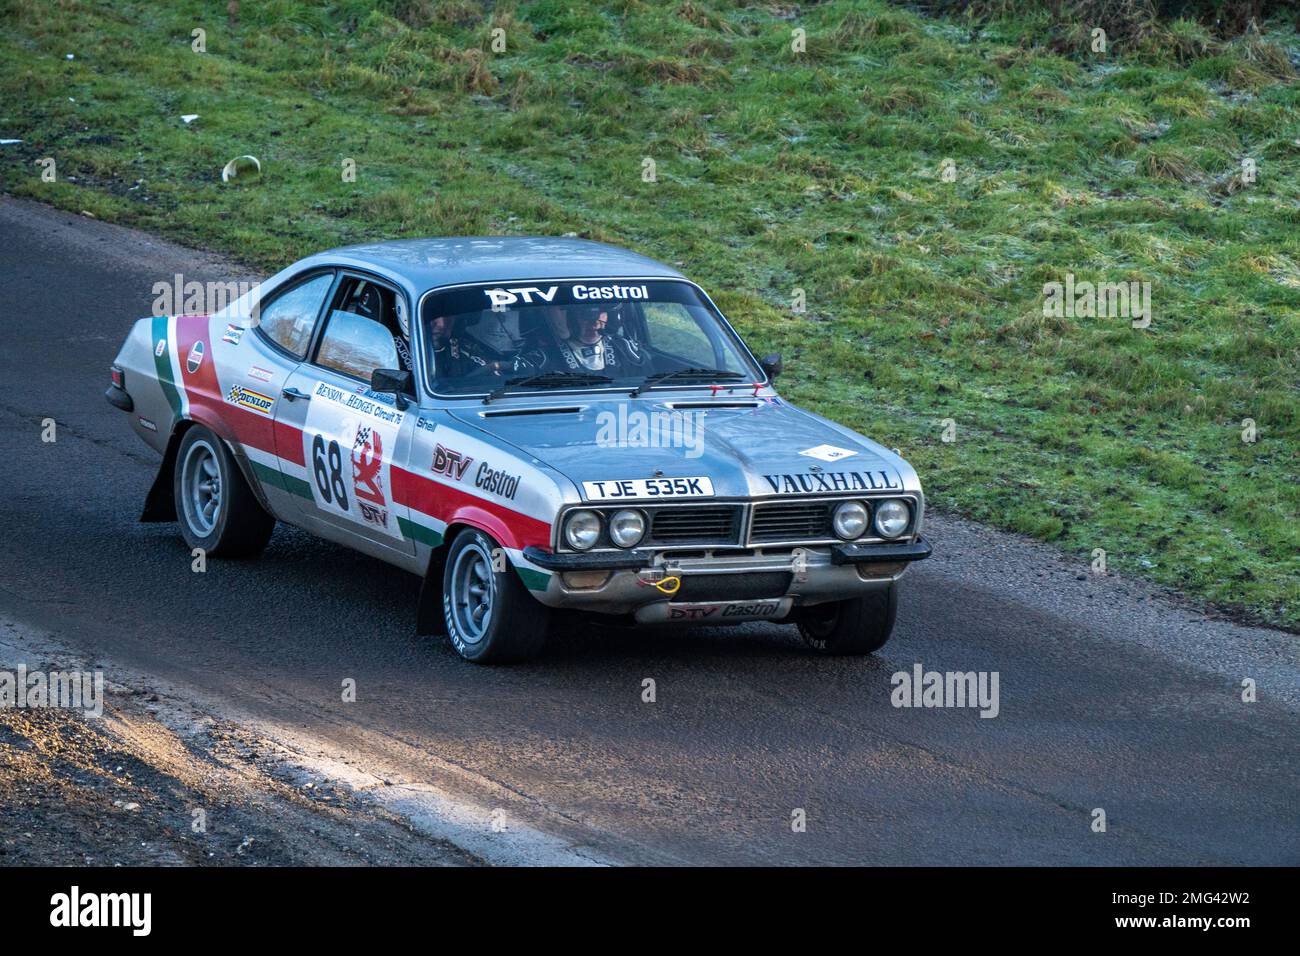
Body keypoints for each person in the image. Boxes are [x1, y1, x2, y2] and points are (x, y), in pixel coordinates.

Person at [555, 305, 647, 373]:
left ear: (610, 317)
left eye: (600, 313)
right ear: (571, 319)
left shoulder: (626, 350)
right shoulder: (548, 357)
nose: (595, 324)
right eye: (587, 315)